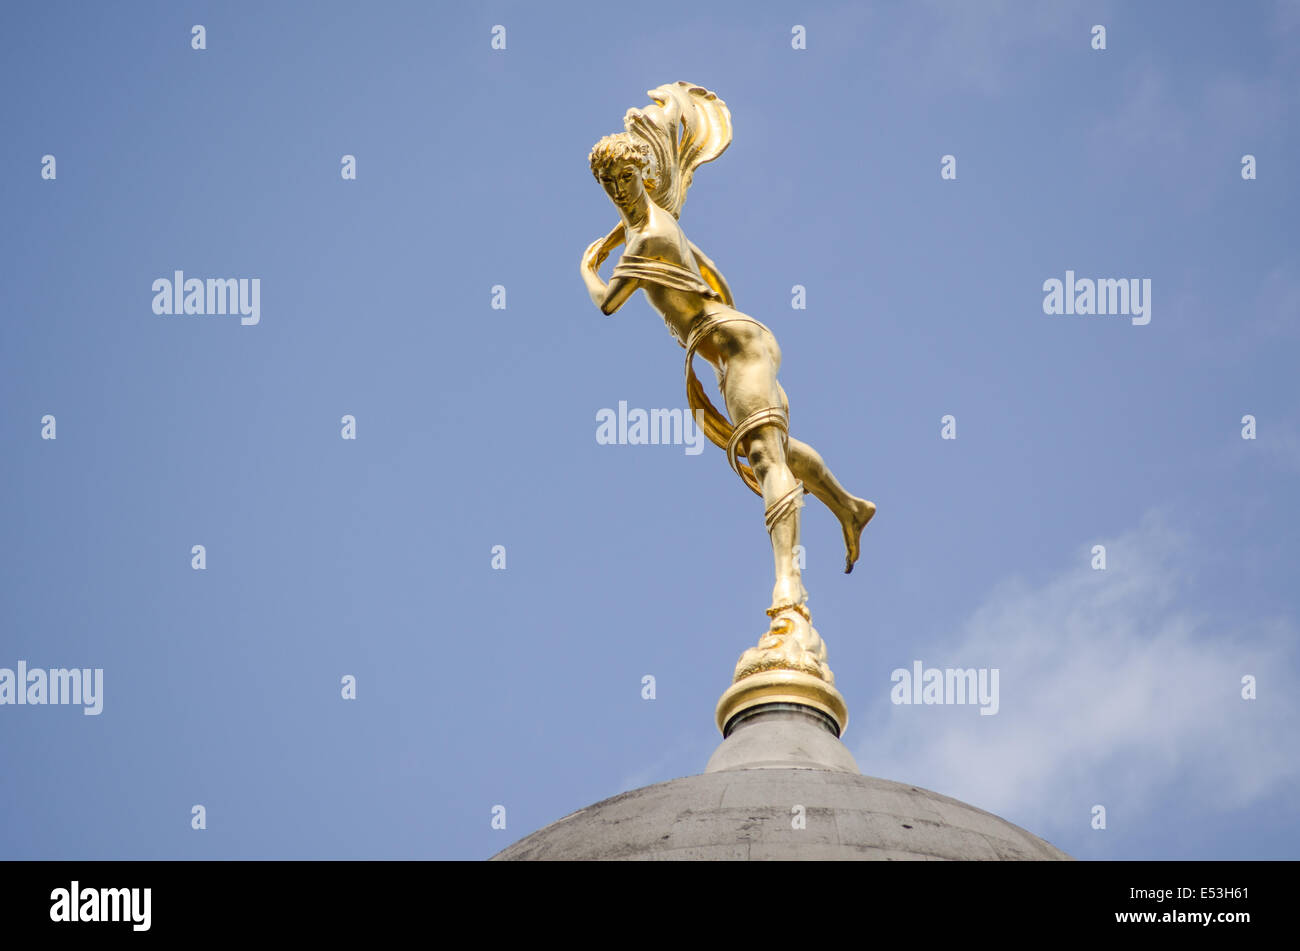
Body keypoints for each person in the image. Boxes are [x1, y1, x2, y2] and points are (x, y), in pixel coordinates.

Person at [581, 132, 875, 625]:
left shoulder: (651, 235)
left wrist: (588, 266)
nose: (620, 192)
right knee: (775, 447)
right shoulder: (656, 223)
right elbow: (710, 270)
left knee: (763, 456)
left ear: (643, 177)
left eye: (627, 179)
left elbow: (608, 302)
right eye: (609, 185)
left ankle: (788, 583)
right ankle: (848, 507)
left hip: (732, 345)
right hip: (732, 344)